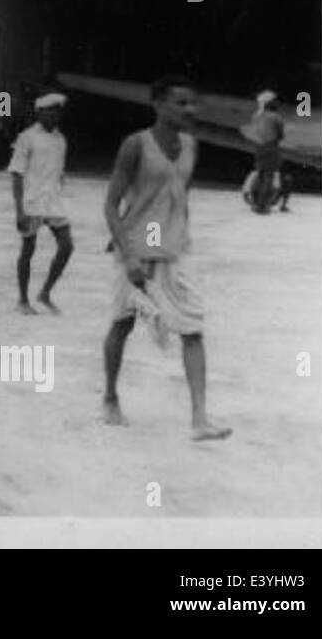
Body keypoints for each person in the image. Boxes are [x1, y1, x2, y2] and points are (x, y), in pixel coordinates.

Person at [101, 74, 231, 441]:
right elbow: (111, 205)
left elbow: (180, 197)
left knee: (193, 329)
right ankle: (110, 397)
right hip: (136, 251)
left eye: (193, 102)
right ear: (157, 103)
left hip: (175, 252)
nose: (190, 109)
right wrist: (127, 256)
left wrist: (183, 240)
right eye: (181, 102)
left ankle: (200, 419)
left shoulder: (191, 145)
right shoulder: (135, 145)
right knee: (122, 324)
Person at [9, 93, 73, 314]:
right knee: (28, 250)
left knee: (67, 246)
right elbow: (16, 174)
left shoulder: (60, 140)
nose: (55, 115)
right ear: (39, 112)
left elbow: (58, 172)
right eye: (50, 111)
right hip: (32, 202)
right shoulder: (26, 137)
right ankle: (23, 301)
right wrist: (19, 211)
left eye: (58, 111)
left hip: (53, 202)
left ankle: (45, 293)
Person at [247, 90, 286, 215]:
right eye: (275, 101)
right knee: (268, 176)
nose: (277, 103)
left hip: (258, 148)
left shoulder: (256, 116)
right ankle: (262, 206)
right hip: (271, 147)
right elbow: (280, 135)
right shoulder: (276, 117)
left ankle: (256, 202)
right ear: (271, 103)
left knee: (260, 174)